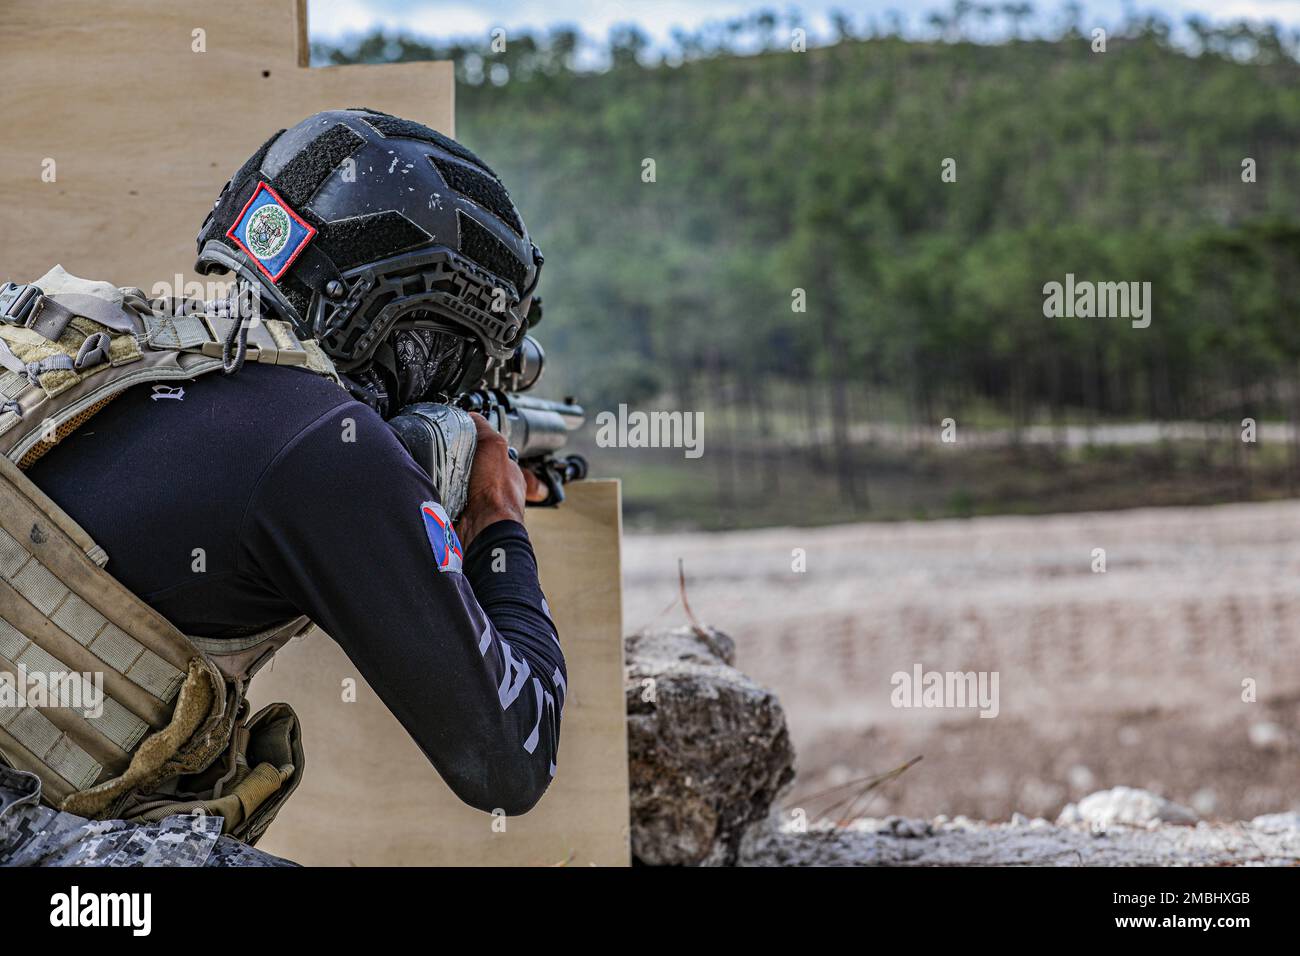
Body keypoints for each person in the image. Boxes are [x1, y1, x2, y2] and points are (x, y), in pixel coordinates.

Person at [0, 109, 566, 866]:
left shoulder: (76, 348)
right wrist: (497, 516)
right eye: (456, 365)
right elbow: (509, 759)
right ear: (413, 326)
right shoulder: (319, 441)